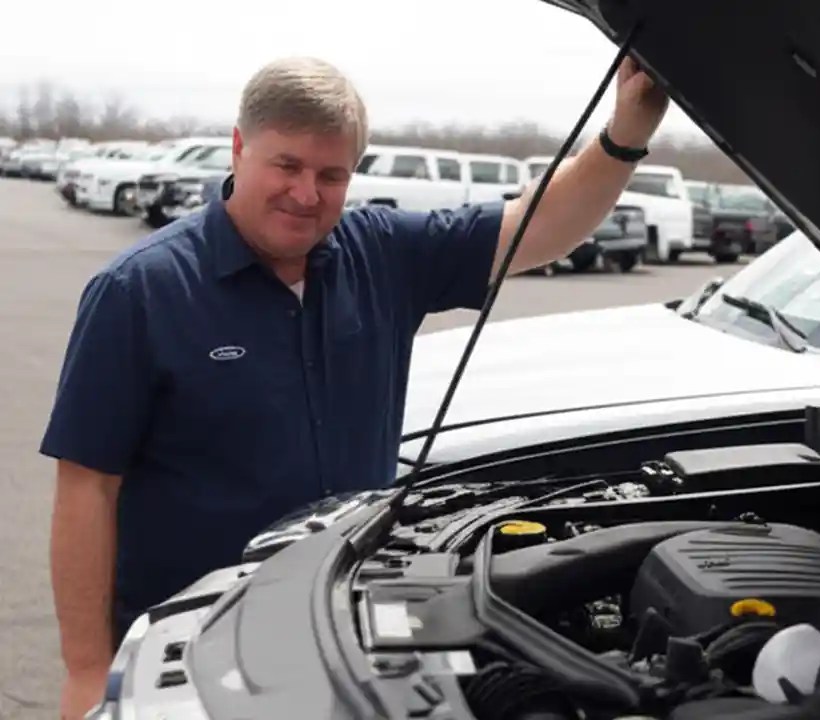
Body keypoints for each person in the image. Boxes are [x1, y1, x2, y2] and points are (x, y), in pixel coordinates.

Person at [40, 55, 668, 719]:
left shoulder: (383, 256)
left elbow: (538, 226)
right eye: (286, 166)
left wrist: (625, 133)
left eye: (331, 174)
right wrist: (86, 669)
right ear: (237, 147)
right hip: (192, 653)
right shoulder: (140, 290)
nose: (306, 194)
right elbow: (87, 486)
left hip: (337, 631)